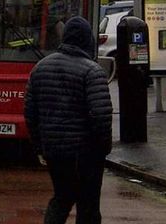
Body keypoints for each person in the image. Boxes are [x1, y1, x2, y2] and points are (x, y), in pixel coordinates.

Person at [24, 16, 113, 224]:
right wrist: (104, 147)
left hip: (55, 151)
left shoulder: (40, 68)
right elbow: (101, 116)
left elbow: (30, 112)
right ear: (86, 40)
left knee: (62, 198)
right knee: (88, 204)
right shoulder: (92, 71)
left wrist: (40, 146)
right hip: (86, 153)